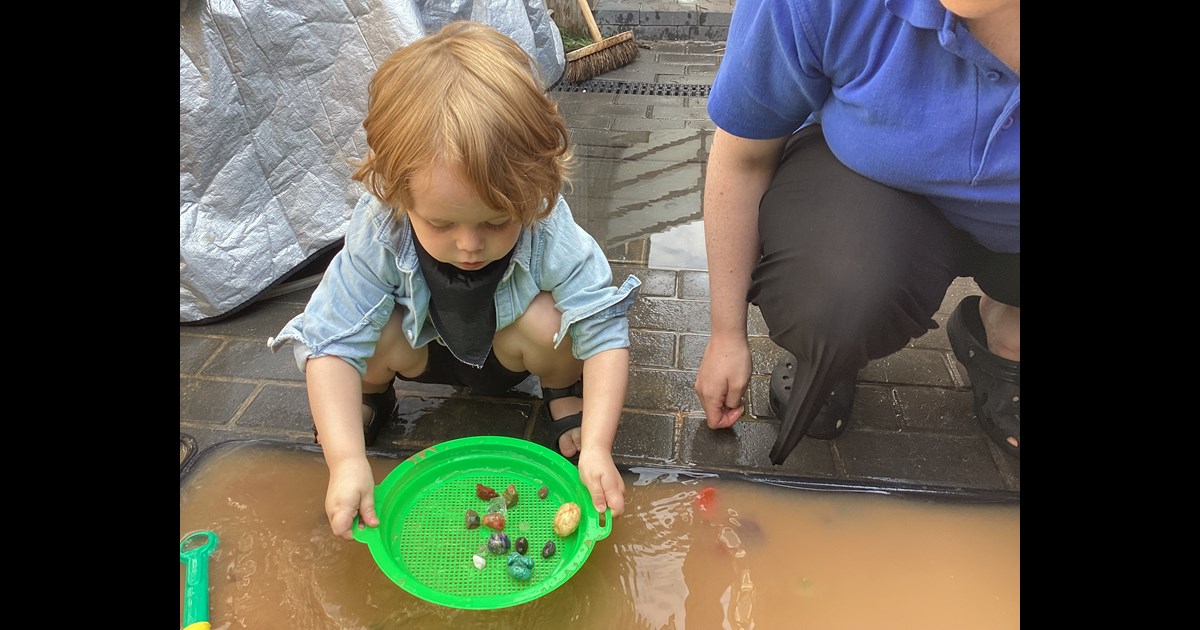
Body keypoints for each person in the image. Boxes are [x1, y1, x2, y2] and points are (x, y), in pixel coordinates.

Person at [268, 21, 641, 539]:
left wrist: (599, 445)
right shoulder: (381, 227)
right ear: (396, 192)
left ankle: (560, 390)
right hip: (421, 350)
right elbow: (330, 340)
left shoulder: (546, 222)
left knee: (557, 320)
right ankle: (373, 394)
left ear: (534, 187)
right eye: (441, 224)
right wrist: (345, 460)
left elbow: (603, 329)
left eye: (496, 221)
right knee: (364, 331)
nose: (469, 244)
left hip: (509, 352)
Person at [693, 0, 1020, 463]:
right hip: (866, 187)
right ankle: (826, 352)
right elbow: (743, 158)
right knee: (833, 296)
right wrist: (727, 335)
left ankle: (1007, 324)